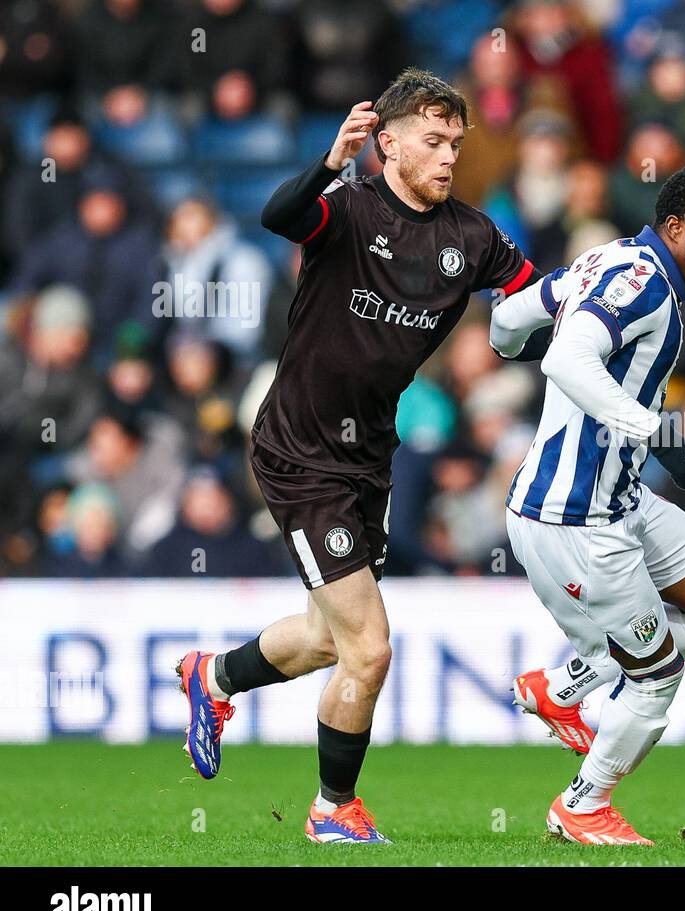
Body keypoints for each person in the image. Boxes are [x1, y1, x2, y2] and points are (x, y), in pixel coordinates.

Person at [175, 69, 539, 845]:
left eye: (456, 143)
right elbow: (279, 214)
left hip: (370, 455)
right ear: (389, 142)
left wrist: (601, 306)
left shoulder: (470, 238)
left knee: (322, 640)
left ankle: (212, 678)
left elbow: (535, 303)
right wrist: (329, 161)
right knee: (369, 650)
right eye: (432, 141)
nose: (446, 157)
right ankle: (331, 810)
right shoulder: (347, 208)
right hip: (299, 451)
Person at [489, 165, 685, 845]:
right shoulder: (642, 287)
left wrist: (511, 347)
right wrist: (659, 433)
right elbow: (566, 362)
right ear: (675, 229)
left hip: (619, 500)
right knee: (656, 675)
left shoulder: (606, 259)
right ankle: (582, 806)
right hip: (572, 520)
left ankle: (565, 684)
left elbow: (508, 321)